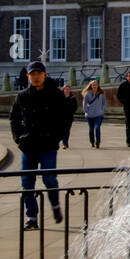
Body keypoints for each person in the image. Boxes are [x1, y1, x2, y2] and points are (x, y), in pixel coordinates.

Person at [9, 60, 67, 230]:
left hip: (48, 146)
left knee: (49, 179)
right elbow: (14, 118)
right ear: (28, 76)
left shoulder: (55, 94)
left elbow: (64, 118)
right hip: (28, 146)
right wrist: (18, 138)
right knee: (27, 184)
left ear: (44, 75)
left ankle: (55, 206)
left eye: (38, 74)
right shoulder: (22, 96)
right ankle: (32, 217)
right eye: (32, 74)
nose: (35, 77)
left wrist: (56, 137)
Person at [82, 80, 106, 148]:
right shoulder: (87, 94)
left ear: (98, 85)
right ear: (91, 86)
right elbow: (84, 104)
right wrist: (87, 111)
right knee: (91, 129)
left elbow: (104, 103)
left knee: (97, 127)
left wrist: (102, 110)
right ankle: (92, 142)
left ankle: (98, 142)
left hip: (99, 114)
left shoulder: (101, 93)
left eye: (96, 84)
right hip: (89, 115)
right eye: (93, 85)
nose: (94, 86)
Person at [59, 84, 79, 149]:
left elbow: (75, 107)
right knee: (62, 130)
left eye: (68, 89)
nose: (67, 90)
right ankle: (64, 143)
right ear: (63, 90)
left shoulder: (72, 98)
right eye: (66, 89)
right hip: (61, 117)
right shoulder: (60, 98)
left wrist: (71, 111)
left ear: (70, 90)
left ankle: (65, 143)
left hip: (69, 117)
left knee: (67, 130)